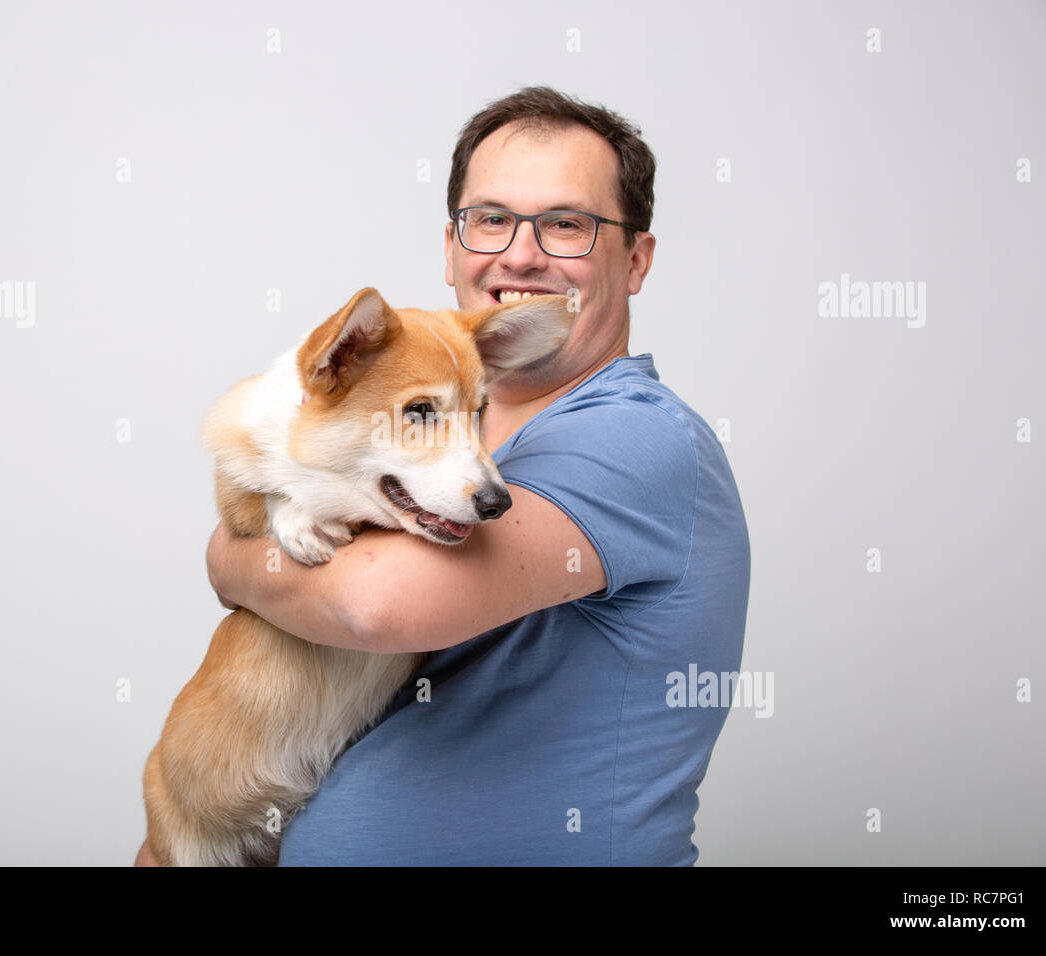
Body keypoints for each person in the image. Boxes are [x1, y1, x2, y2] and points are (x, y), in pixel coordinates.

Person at [139, 86, 750, 866]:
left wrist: (231, 560)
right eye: (491, 218)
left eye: (566, 224)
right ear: (453, 246)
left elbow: (373, 605)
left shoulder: (635, 435)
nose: (520, 254)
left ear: (635, 259)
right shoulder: (450, 422)